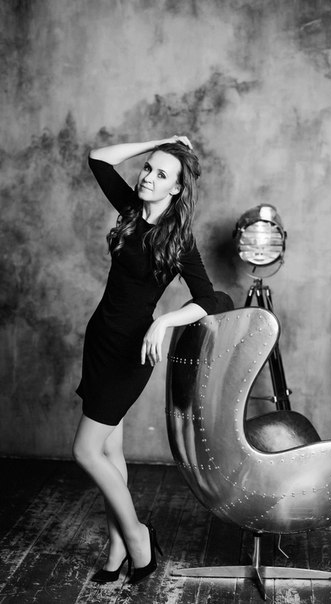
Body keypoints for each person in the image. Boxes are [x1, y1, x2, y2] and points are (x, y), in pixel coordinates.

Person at [72, 135, 217, 585]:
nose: (148, 177)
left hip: (131, 353)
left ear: (177, 188)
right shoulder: (131, 210)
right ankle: (117, 546)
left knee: (85, 450)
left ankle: (137, 537)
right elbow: (99, 159)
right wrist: (161, 142)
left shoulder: (178, 239)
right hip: (100, 341)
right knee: (109, 449)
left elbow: (212, 299)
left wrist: (165, 321)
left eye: (161, 174)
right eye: (148, 168)